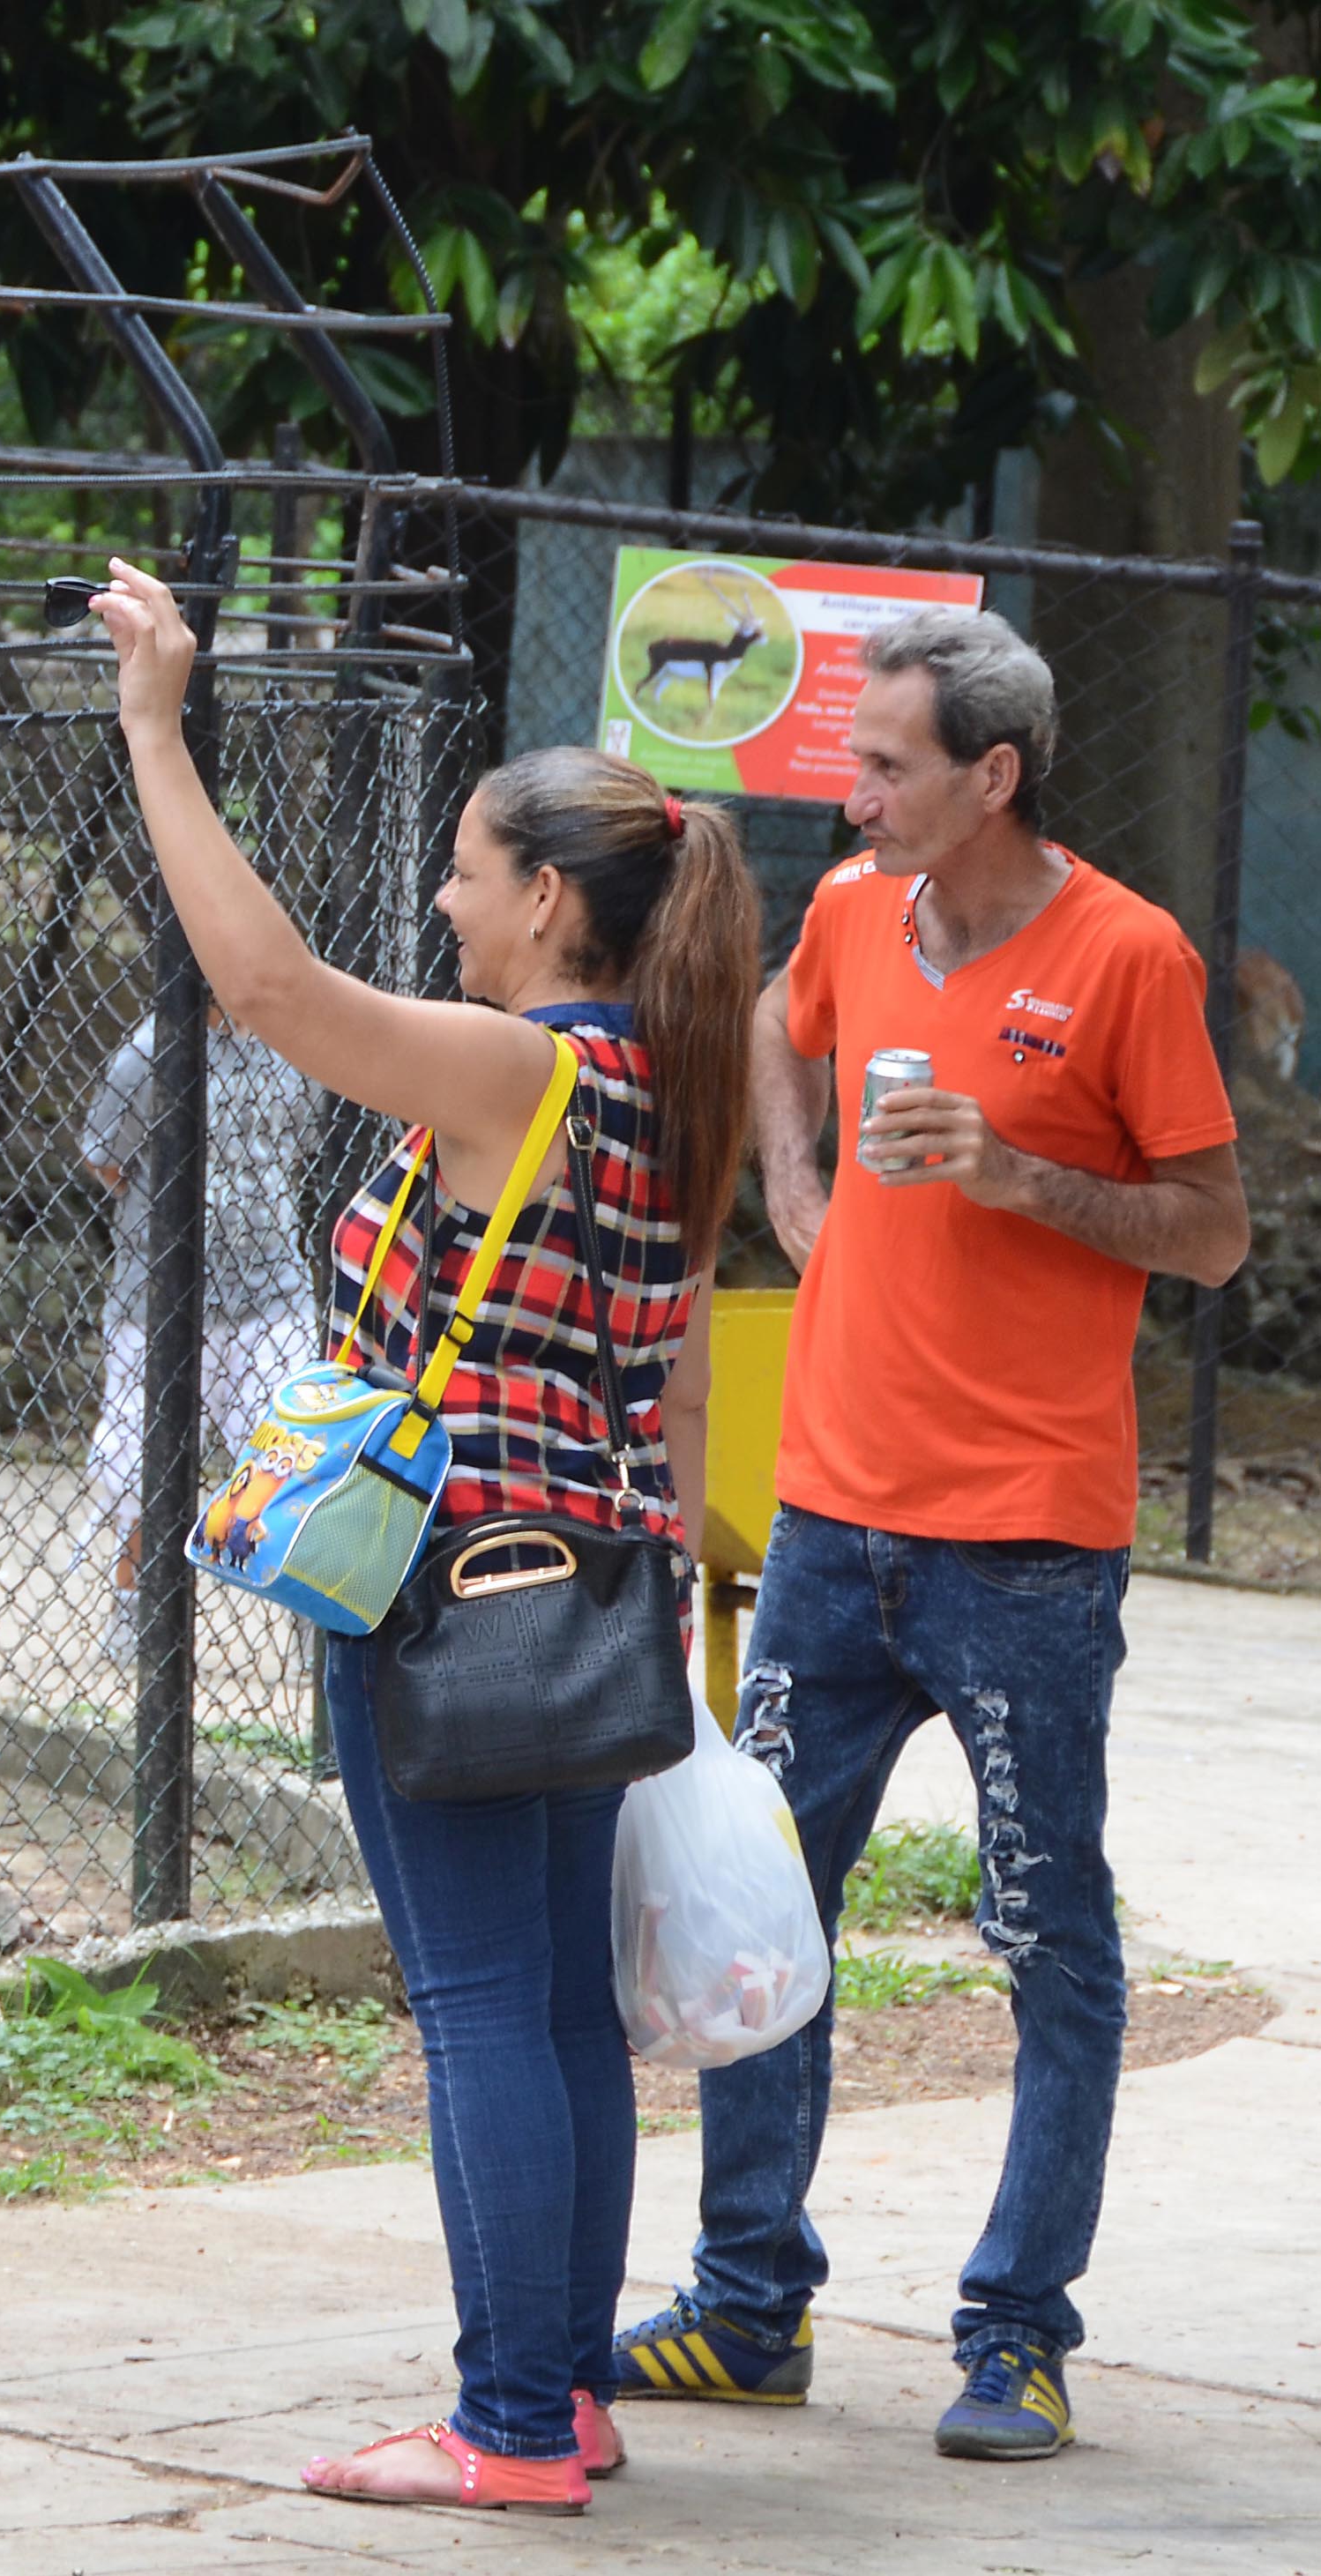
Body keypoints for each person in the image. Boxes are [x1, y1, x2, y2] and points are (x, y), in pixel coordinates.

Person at [94, 557, 761, 2513]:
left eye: (469, 873)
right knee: (553, 2008)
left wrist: (155, 730)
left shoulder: (522, 1065)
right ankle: (560, 2395)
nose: (448, 903)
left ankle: (506, 2427)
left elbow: (266, 991)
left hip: (451, 1581)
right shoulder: (658, 1082)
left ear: (547, 898)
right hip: (586, 1583)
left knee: (479, 2008)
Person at [612, 609, 1246, 2461]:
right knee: (754, 1916)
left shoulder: (1126, 955)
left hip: (1026, 1545)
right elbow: (772, 1020)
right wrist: (793, 1181)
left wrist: (1017, 1172)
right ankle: (748, 2307)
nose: (851, 793)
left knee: (1048, 1932)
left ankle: (1016, 2332)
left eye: (885, 765)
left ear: (993, 774)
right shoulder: (847, 913)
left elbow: (1210, 1233)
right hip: (827, 1519)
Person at [77, 998, 322, 1654]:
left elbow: (297, 1146)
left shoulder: (291, 1042)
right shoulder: (150, 1051)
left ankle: (307, 1619)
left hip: (272, 1288)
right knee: (140, 1462)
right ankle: (137, 1607)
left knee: (289, 1458)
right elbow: (107, 1160)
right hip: (161, 1292)